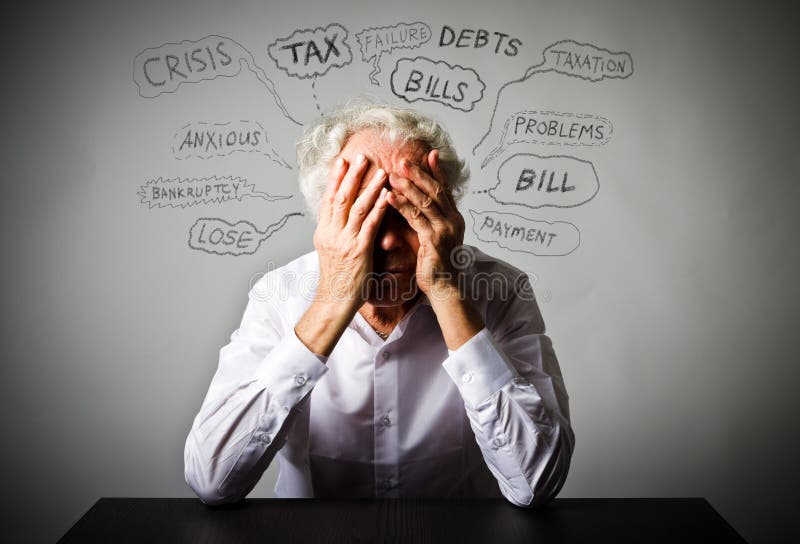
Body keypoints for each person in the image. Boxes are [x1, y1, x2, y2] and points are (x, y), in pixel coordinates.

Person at [183, 100, 575, 506]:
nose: (387, 242)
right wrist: (332, 302)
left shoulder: (503, 290)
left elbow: (537, 483)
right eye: (365, 213)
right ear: (326, 218)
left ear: (447, 211)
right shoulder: (278, 294)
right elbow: (213, 480)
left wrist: (447, 293)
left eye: (409, 214)